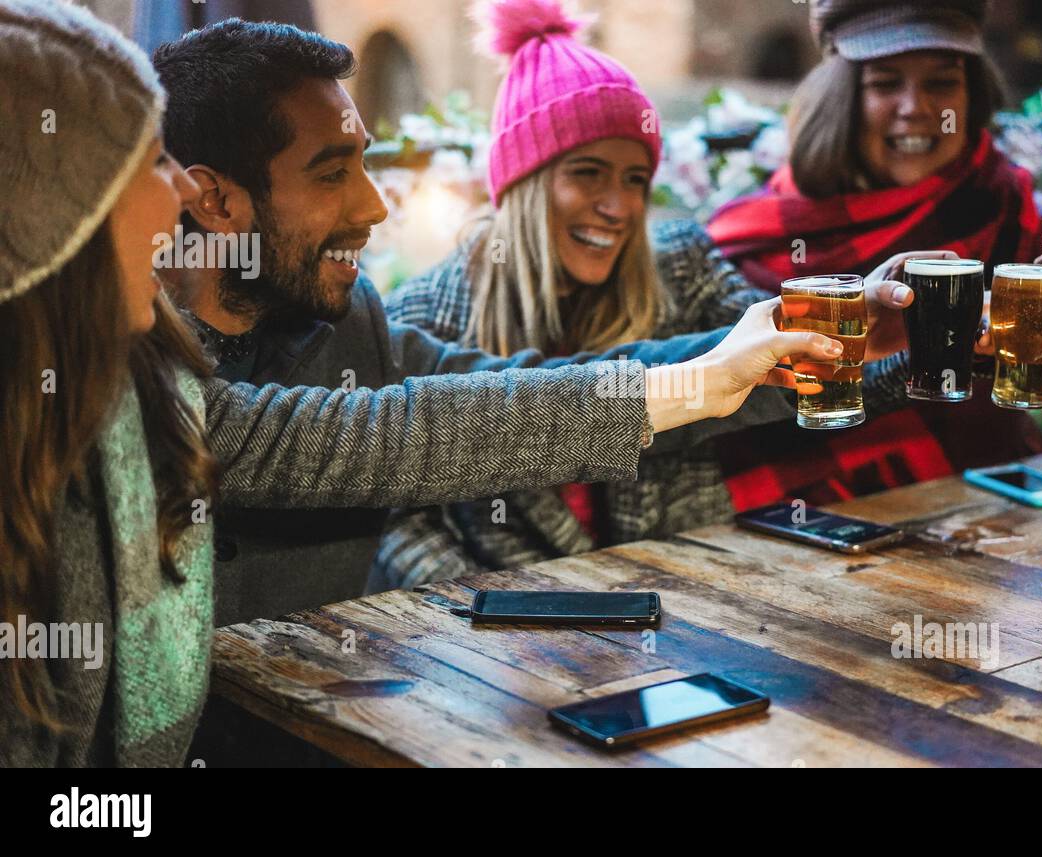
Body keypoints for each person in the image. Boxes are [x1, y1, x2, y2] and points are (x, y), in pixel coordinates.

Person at [0, 0, 834, 766]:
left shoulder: (180, 371)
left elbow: (489, 403)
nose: (176, 188)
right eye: (151, 164)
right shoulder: (115, 398)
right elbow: (394, 437)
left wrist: (775, 359)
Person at [151, 18, 830, 626]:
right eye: (332, 175)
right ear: (214, 200)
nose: (375, 207)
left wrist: (816, 342)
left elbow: (519, 386)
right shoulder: (131, 373)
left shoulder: (351, 324)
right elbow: (412, 437)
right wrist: (703, 381)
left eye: (366, 162)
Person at [376, 0, 937, 588]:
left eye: (635, 179)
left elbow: (790, 377)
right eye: (587, 173)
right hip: (505, 640)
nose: (617, 206)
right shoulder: (423, 319)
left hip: (686, 604)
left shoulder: (679, 267)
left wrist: (917, 349)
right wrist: (493, 615)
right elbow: (401, 522)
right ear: (521, 183)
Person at [705, 0, 1042, 510]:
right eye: (886, 83)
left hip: (984, 509)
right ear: (839, 98)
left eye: (940, 83)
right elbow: (723, 395)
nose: (916, 107)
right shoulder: (753, 233)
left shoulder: (1014, 208)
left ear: (972, 94)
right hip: (801, 515)